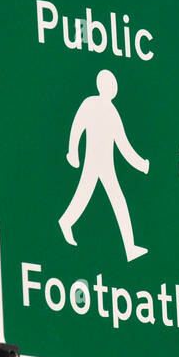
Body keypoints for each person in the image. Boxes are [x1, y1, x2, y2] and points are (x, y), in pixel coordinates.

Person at [58, 70, 150, 261]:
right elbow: (77, 127)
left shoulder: (112, 112)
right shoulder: (90, 104)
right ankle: (66, 222)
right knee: (87, 196)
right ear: (103, 86)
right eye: (110, 84)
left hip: (106, 166)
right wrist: (72, 152)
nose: (113, 88)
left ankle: (130, 248)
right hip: (93, 162)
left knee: (113, 200)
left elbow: (123, 144)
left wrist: (141, 164)